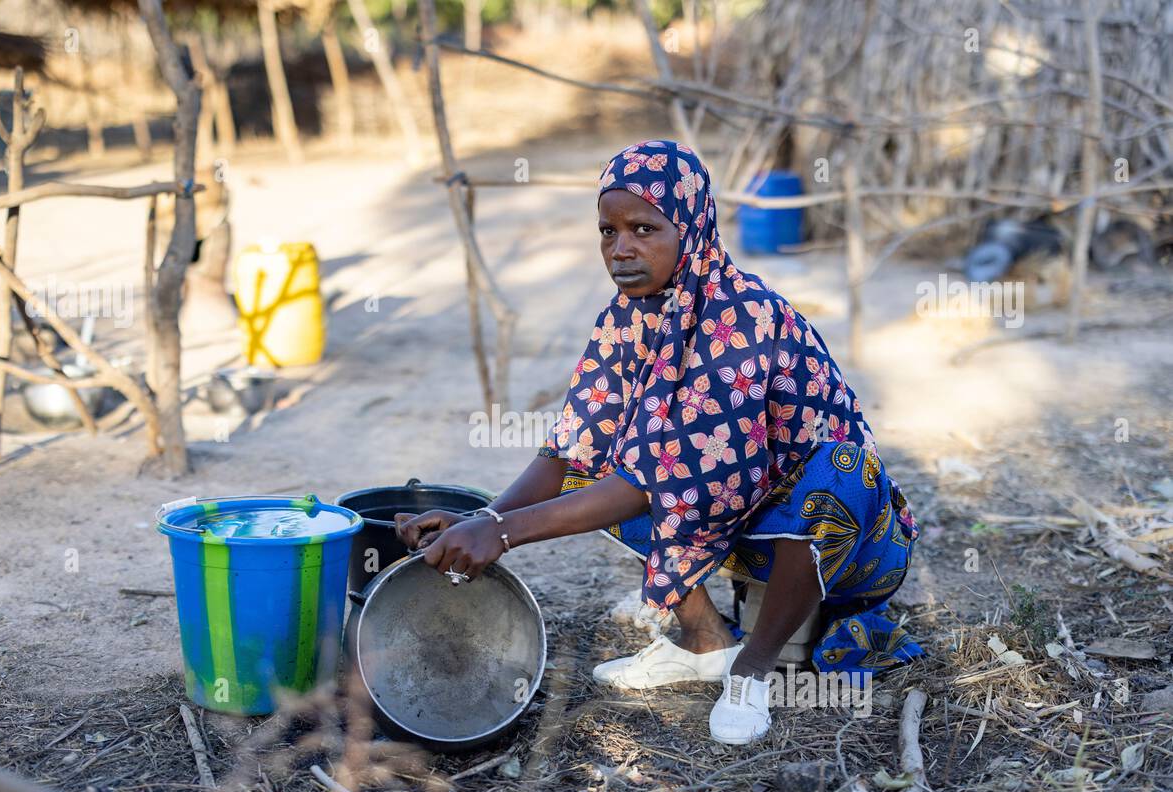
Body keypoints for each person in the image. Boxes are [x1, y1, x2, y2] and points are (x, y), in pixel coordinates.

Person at [395, 139, 922, 746]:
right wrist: (481, 517)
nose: (620, 248)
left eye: (643, 228)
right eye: (607, 231)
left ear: (690, 228)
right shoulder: (626, 320)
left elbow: (657, 482)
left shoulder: (743, 320)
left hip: (841, 543)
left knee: (841, 466)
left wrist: (505, 535)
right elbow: (569, 454)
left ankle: (752, 674)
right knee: (588, 473)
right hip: (741, 531)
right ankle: (708, 644)